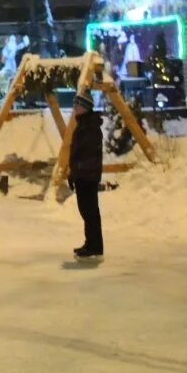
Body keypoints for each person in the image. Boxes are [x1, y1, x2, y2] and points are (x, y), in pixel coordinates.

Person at [69, 94, 105, 260]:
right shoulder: (83, 124)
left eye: (78, 105)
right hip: (83, 174)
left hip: (87, 175)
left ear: (85, 107)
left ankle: (95, 246)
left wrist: (79, 171)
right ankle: (91, 243)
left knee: (90, 211)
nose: (75, 107)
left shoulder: (89, 126)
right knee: (86, 211)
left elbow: (88, 154)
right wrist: (73, 173)